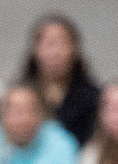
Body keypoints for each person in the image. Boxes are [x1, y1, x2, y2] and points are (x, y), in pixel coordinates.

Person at [15, 13, 98, 146]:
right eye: (48, 44)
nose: (54, 53)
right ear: (35, 50)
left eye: (61, 44)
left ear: (74, 49)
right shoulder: (19, 95)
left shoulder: (93, 99)